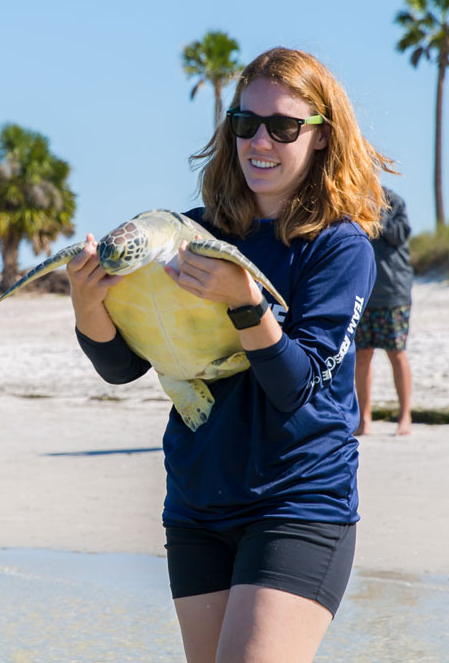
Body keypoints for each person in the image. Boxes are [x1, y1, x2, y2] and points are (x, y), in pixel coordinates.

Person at [68, 47, 393, 662]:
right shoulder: (193, 234)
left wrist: (247, 304)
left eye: (283, 126)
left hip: (297, 502)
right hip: (197, 504)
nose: (259, 141)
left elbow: (297, 385)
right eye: (245, 124)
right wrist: (88, 305)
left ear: (321, 138)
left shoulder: (338, 247)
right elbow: (125, 367)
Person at [353, 187, 414, 436]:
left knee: (396, 353)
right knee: (363, 355)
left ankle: (405, 416)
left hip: (393, 293)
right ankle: (364, 418)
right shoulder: (351, 199)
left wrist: (375, 209)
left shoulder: (394, 202)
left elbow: (399, 235)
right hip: (363, 293)